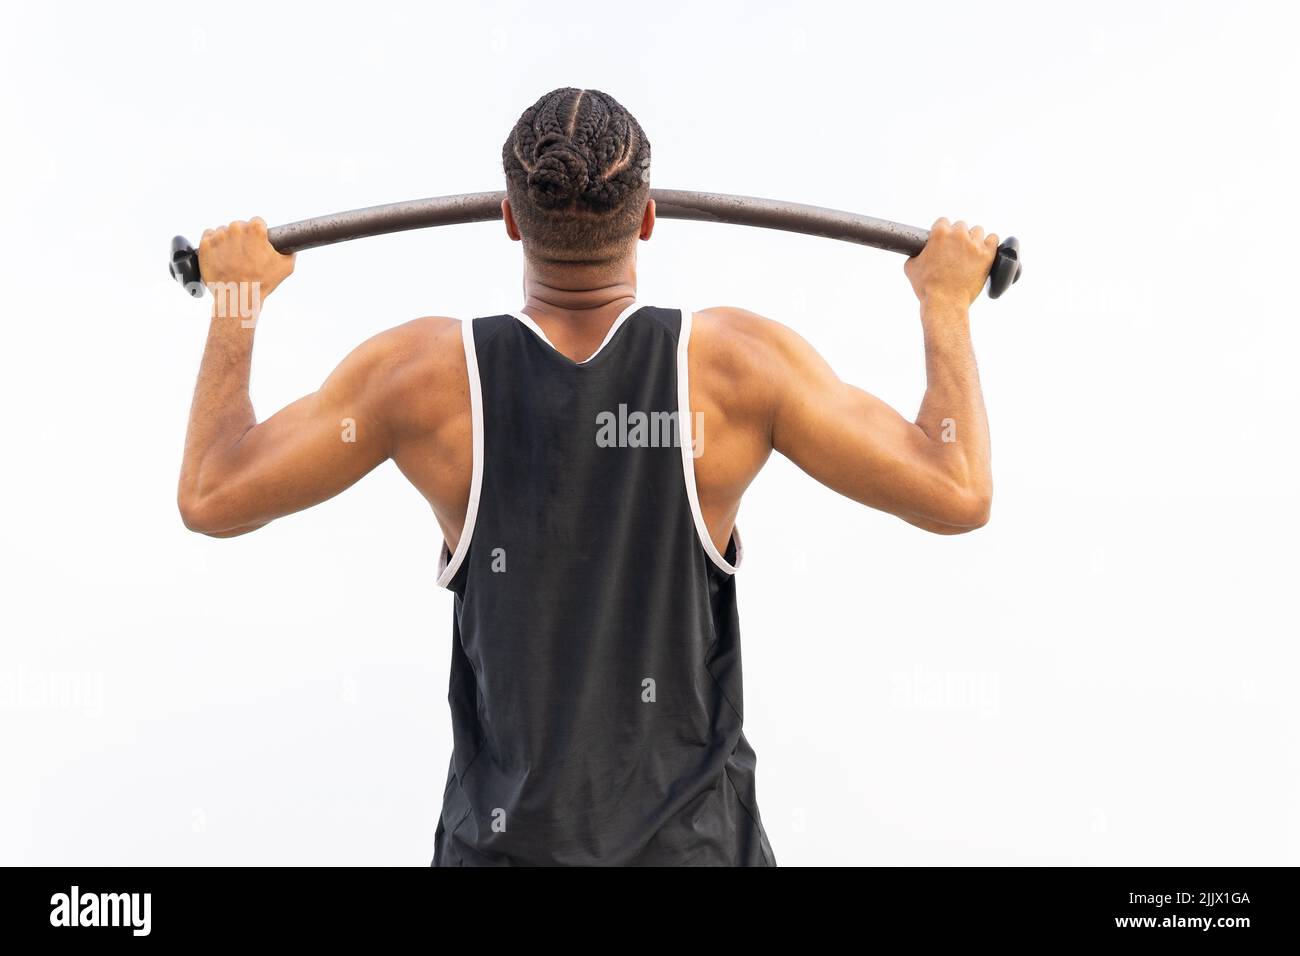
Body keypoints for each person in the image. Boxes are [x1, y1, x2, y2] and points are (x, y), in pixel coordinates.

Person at [178, 88, 997, 866]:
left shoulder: (416, 378)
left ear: (508, 219)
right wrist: (945, 304)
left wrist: (237, 297)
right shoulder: (741, 369)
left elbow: (215, 492)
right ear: (646, 217)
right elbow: (955, 487)